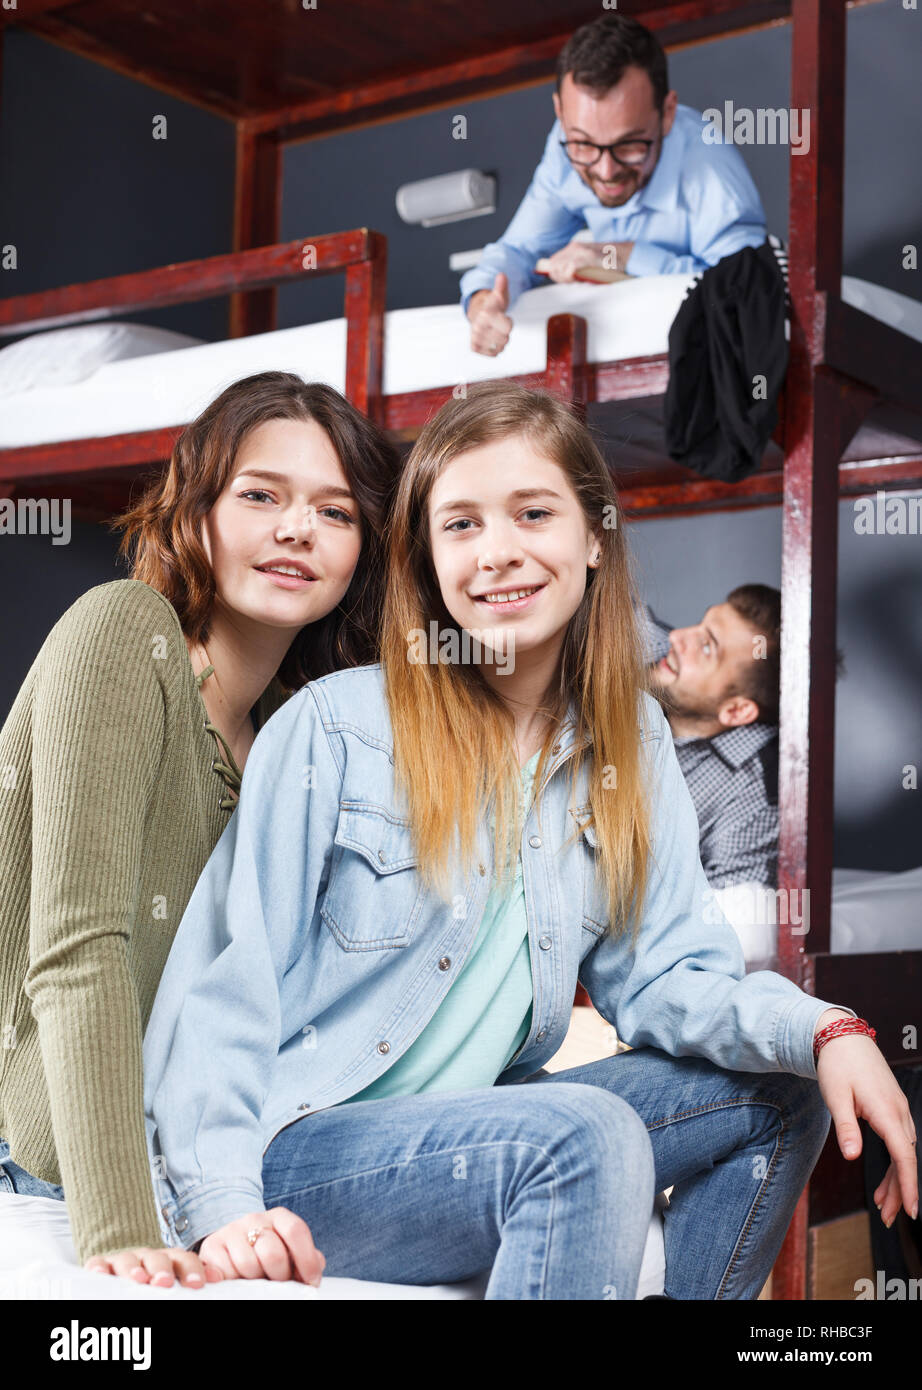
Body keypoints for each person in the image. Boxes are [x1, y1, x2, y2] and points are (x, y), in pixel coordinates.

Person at [141, 380, 916, 1300]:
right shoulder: (334, 729)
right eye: (460, 525)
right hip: (309, 1149)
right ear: (428, 560)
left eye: (533, 513)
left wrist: (825, 1028)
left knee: (779, 1087)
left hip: (479, 1126)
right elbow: (223, 994)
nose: (497, 553)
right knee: (581, 1137)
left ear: (594, 537)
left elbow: (669, 978)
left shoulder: (631, 736)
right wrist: (224, 1208)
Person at [0, 371, 401, 1289]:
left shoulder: (304, 735)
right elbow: (79, 947)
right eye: (261, 495)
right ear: (198, 513)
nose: (297, 528)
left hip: (200, 1147)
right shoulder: (125, 632)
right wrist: (118, 1229)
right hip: (52, 1148)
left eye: (336, 513)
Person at [461, 12, 767, 358]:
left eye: (629, 145)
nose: (605, 171)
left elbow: (745, 291)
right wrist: (483, 301)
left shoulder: (711, 167)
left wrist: (610, 255)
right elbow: (518, 250)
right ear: (561, 115)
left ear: (666, 114)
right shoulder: (563, 148)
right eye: (584, 144)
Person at [643, 587, 781, 891]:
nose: (678, 637)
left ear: (736, 710)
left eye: (707, 647)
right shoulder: (652, 668)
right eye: (699, 625)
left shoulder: (758, 800)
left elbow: (725, 923)